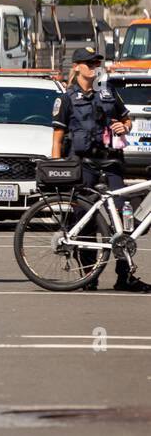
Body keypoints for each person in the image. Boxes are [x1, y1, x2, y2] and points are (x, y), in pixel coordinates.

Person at [52, 46, 147, 292]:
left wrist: (124, 127)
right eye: (88, 64)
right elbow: (58, 136)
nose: (93, 68)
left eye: (96, 64)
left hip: (112, 162)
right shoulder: (66, 98)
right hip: (83, 164)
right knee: (85, 221)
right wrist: (57, 168)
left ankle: (124, 276)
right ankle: (88, 275)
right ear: (76, 67)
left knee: (124, 219)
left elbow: (126, 118)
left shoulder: (107, 92)